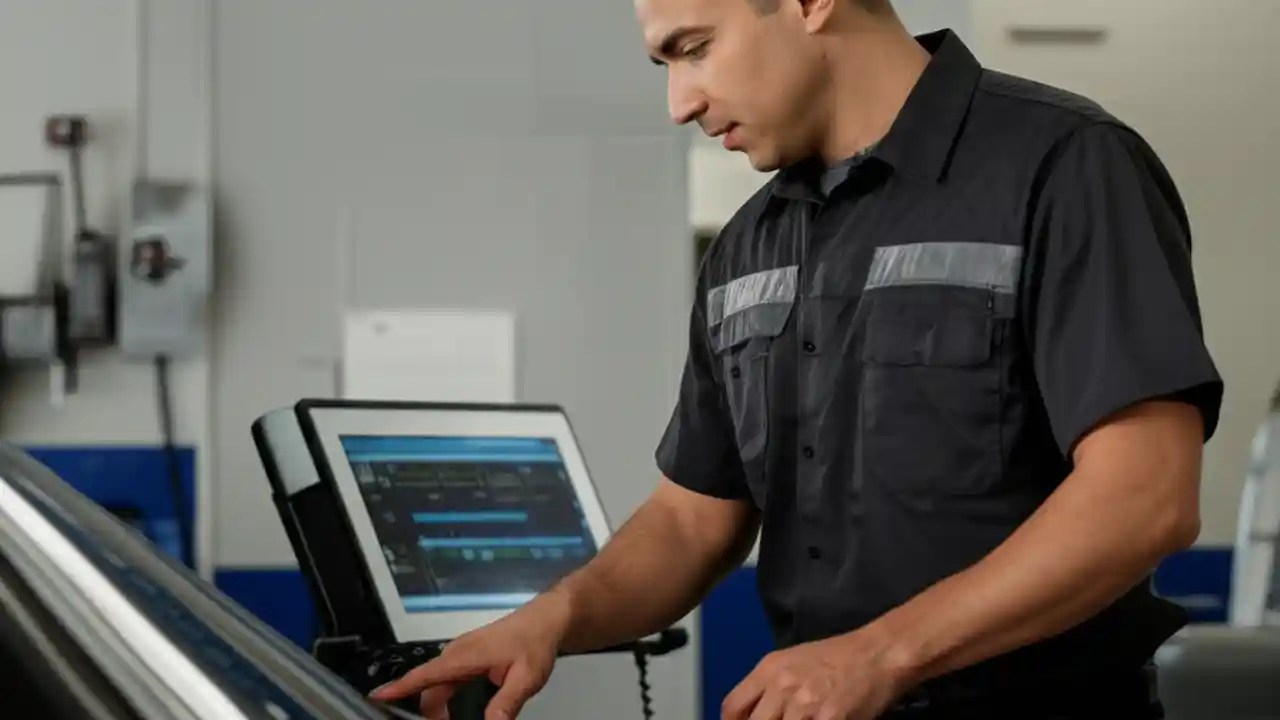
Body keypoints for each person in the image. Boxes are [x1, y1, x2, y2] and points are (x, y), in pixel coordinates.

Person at [372, 0, 1224, 717]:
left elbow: (1143, 498)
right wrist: (551, 619)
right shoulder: (746, 249)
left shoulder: (1067, 166)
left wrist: (880, 656)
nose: (679, 102)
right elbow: (690, 519)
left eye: (694, 49)